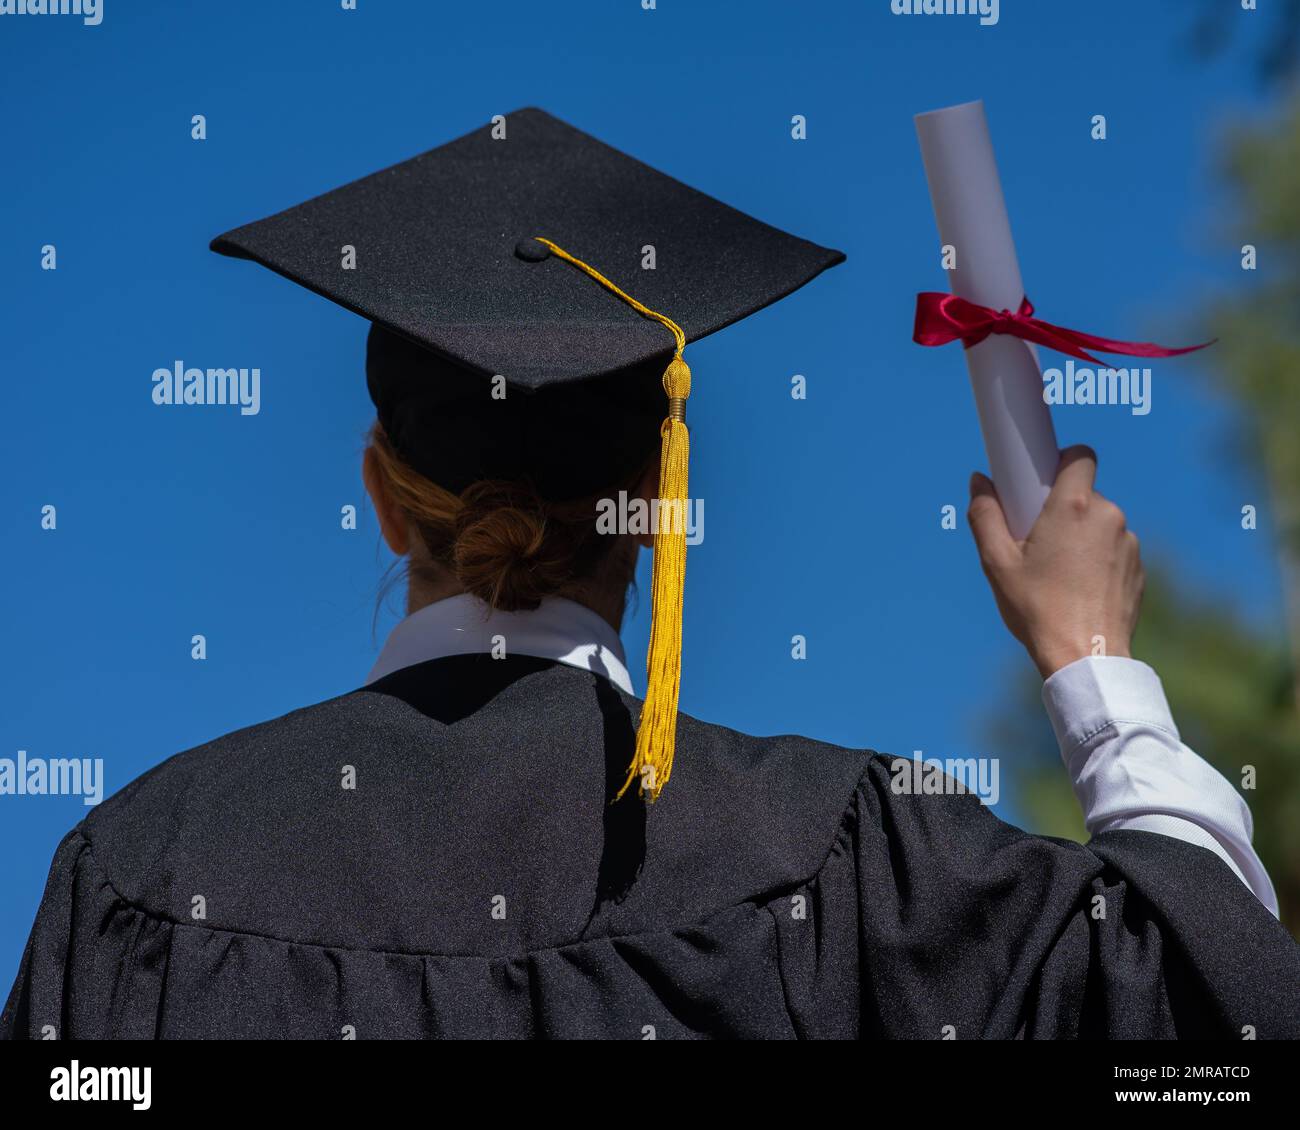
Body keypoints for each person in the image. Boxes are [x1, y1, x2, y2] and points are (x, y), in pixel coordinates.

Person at [3, 109, 1297, 1040]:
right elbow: (1214, 1020)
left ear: (383, 498)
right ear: (657, 515)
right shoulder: (849, 864)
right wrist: (1093, 663)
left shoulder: (144, 877)